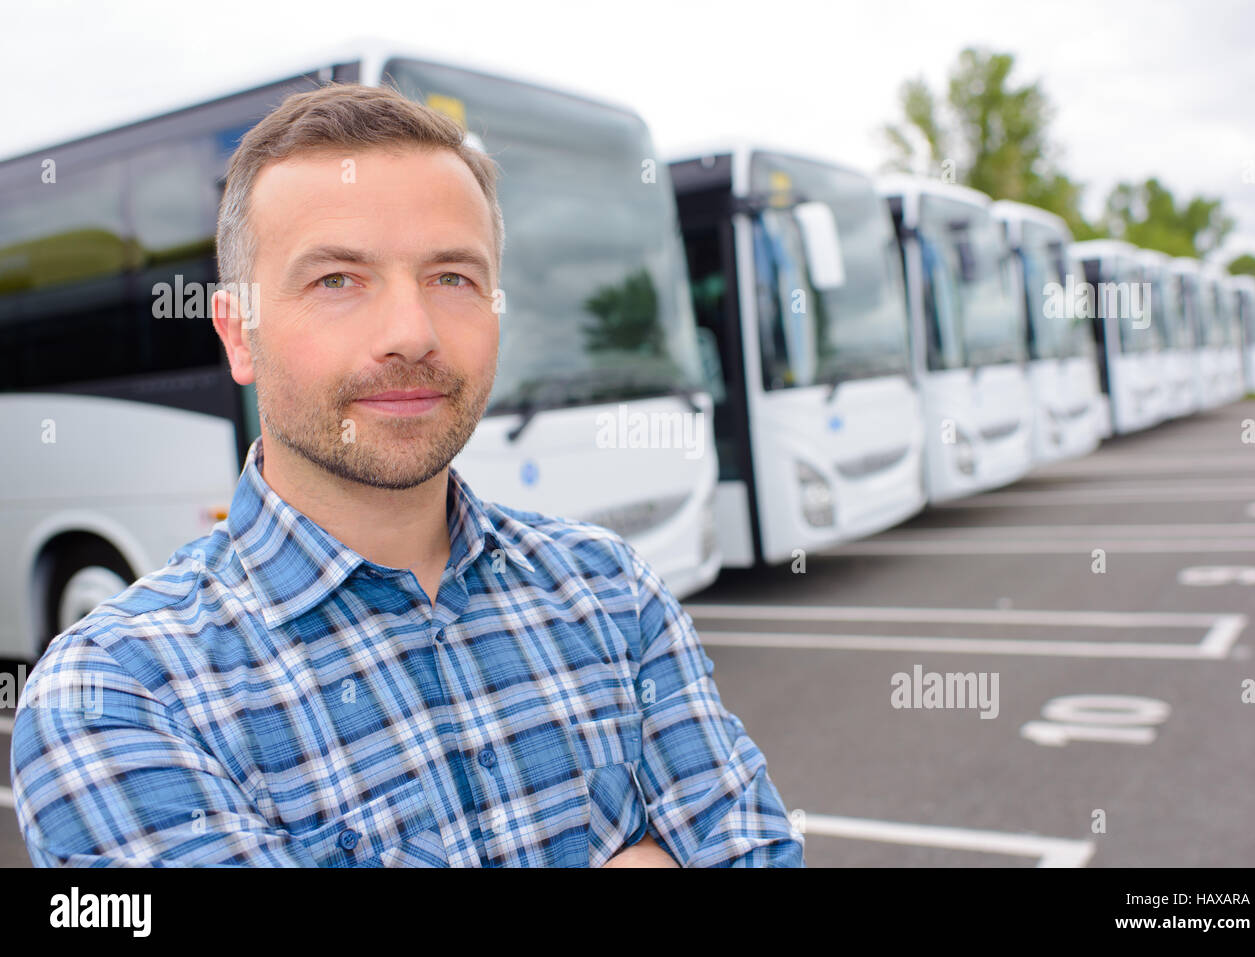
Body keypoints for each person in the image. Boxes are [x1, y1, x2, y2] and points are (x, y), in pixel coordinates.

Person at [9, 82, 805, 868]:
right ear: (238, 334)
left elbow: (760, 852)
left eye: (451, 277)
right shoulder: (116, 696)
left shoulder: (612, 590)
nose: (411, 333)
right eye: (338, 280)